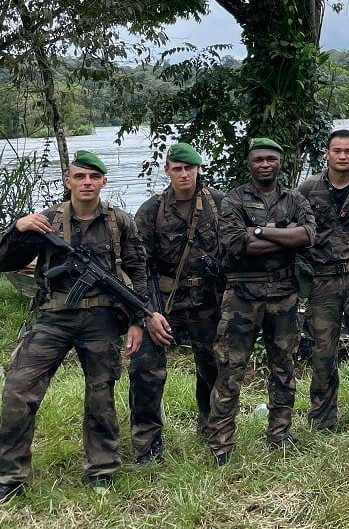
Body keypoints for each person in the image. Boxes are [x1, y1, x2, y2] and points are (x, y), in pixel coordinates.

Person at [0, 150, 159, 505]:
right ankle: (7, 478)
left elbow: (138, 270)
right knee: (19, 390)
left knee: (101, 395)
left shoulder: (119, 221)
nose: (87, 183)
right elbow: (4, 261)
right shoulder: (47, 221)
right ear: (68, 181)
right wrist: (18, 228)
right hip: (53, 318)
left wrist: (139, 320)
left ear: (103, 182)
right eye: (79, 177)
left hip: (102, 321)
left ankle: (102, 469)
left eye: (93, 177)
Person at [207, 138, 314, 465]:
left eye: (271, 159)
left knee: (284, 366)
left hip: (283, 295)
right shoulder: (234, 199)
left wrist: (257, 231)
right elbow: (236, 246)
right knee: (230, 368)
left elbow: (308, 236)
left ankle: (280, 434)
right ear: (249, 163)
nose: (265, 164)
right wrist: (284, 235)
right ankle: (222, 443)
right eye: (258, 159)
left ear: (279, 162)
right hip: (242, 296)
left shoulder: (294, 198)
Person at [128, 141, 225, 463]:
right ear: (167, 170)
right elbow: (138, 265)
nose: (184, 174)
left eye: (190, 168)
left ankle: (211, 425)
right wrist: (147, 312)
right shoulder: (152, 210)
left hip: (208, 302)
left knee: (212, 367)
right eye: (178, 169)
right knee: (145, 369)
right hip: (163, 304)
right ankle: (148, 442)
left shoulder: (219, 204)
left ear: (199, 169)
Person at [296, 129, 349, 430]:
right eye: (337, 151)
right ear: (327, 153)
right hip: (322, 280)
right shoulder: (307, 189)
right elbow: (296, 233)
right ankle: (322, 418)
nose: (343, 156)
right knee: (322, 351)